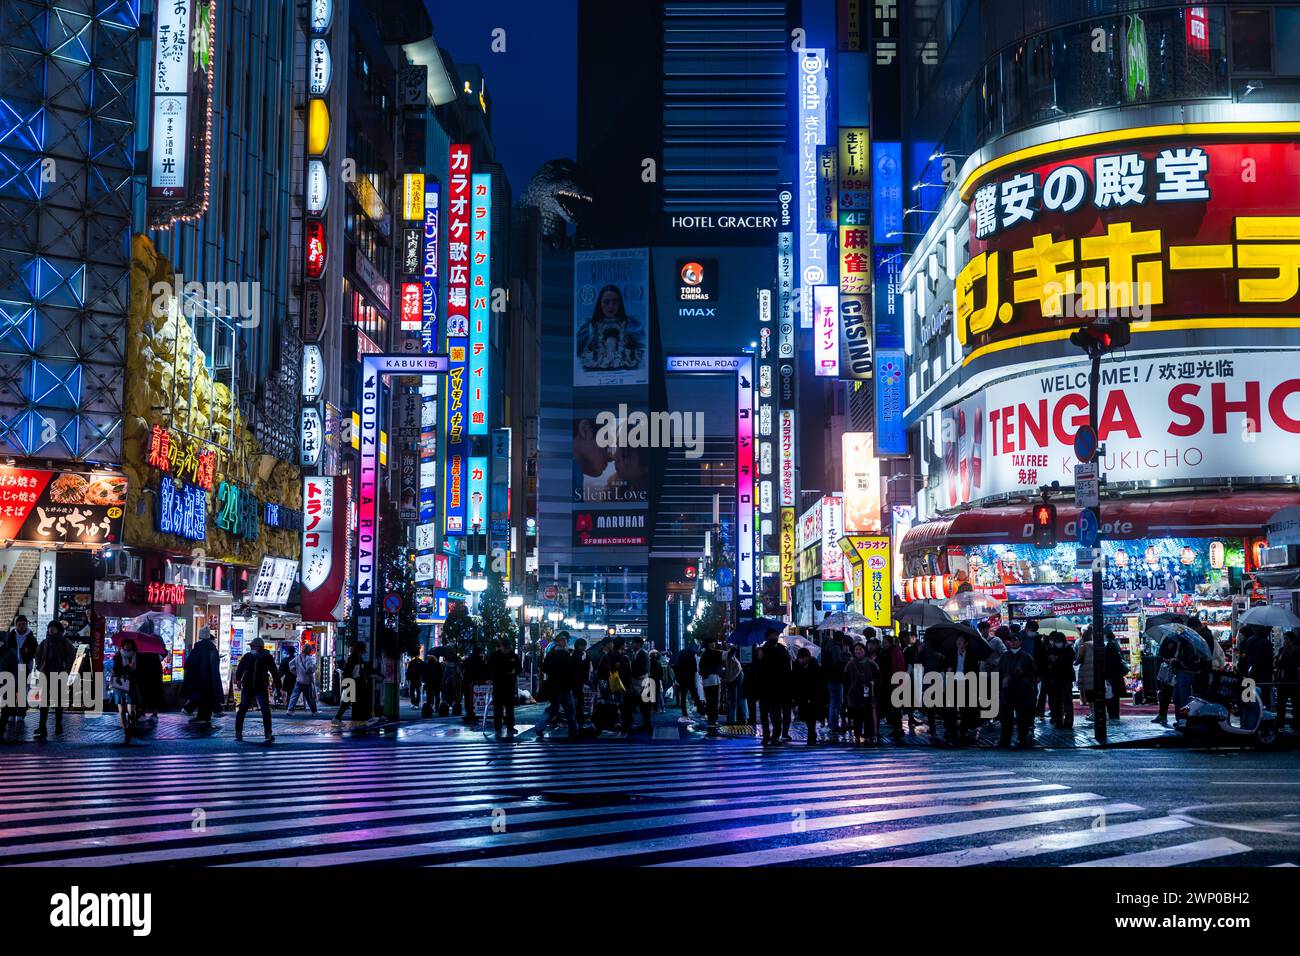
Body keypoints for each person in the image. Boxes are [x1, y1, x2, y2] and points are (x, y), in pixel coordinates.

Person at [34, 620, 76, 740]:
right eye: (49, 628)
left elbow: (72, 654)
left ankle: (58, 725)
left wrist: (65, 666)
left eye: (53, 628)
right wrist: (39, 666)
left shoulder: (64, 641)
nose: (51, 630)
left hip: (59, 674)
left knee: (58, 701)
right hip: (45, 674)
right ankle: (42, 727)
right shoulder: (45, 642)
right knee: (44, 702)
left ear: (59, 629)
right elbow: (37, 654)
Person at [234, 637, 281, 742]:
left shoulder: (267, 657)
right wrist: (238, 679)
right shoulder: (248, 656)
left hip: (260, 686)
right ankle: (238, 732)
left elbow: (274, 672)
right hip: (248, 685)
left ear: (259, 647)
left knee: (265, 710)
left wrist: (278, 686)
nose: (251, 648)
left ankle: (268, 733)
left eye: (253, 646)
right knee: (243, 708)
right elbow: (240, 668)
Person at [534, 632, 578, 740]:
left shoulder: (552, 654)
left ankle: (540, 727)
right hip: (563, 686)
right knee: (568, 709)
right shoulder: (565, 654)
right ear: (560, 642)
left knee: (556, 709)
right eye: (564, 640)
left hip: (556, 685)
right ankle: (573, 732)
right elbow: (571, 670)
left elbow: (545, 668)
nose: (566, 642)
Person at [998, 628, 1037, 748]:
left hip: (1022, 691)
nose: (1013, 642)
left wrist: (1022, 674)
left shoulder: (1026, 657)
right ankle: (1005, 739)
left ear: (1020, 642)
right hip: (1007, 690)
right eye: (1011, 640)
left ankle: (1022, 738)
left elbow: (1033, 673)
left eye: (1015, 640)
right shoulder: (1005, 656)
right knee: (1006, 717)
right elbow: (1000, 672)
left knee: (1022, 717)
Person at [754, 629, 791, 744]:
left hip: (778, 687)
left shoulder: (781, 649)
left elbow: (786, 667)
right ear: (767, 638)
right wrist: (760, 659)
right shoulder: (761, 651)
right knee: (764, 713)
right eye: (772, 636)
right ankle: (766, 736)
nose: (774, 638)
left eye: (776, 636)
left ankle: (775, 736)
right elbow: (757, 669)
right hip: (764, 686)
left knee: (776, 713)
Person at [944, 633, 980, 746]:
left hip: (966, 683)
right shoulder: (951, 654)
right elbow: (947, 667)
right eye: (957, 641)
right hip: (953, 682)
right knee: (951, 708)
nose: (958, 643)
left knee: (965, 708)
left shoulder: (972, 655)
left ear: (966, 643)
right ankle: (951, 730)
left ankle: (963, 730)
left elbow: (975, 671)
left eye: (961, 641)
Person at [182, 626, 223, 724]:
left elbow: (192, 662)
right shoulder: (213, 648)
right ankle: (206, 716)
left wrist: (187, 666)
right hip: (211, 678)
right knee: (208, 698)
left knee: (199, 697)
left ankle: (200, 716)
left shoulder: (199, 646)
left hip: (199, 677)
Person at [843, 642, 879, 745]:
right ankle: (857, 735)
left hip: (868, 695)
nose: (858, 651)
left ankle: (867, 735)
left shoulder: (871, 663)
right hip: (854, 696)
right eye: (856, 650)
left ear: (864, 650)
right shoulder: (849, 665)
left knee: (868, 716)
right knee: (856, 718)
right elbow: (845, 681)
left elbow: (878, 677)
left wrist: (874, 683)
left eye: (860, 649)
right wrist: (846, 696)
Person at [790, 647, 824, 745]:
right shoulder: (796, 666)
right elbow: (794, 683)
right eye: (800, 658)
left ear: (808, 657)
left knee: (811, 717)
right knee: (805, 717)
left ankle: (811, 735)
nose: (801, 660)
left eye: (803, 658)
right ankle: (812, 734)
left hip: (813, 695)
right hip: (802, 696)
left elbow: (819, 682)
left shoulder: (815, 666)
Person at [488, 638, 521, 739]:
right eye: (505, 648)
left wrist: (514, 672)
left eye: (508, 648)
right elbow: (489, 669)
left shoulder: (513, 656)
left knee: (509, 707)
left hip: (509, 685)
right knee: (498, 707)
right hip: (498, 684)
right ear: (501, 647)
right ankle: (498, 727)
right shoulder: (495, 656)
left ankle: (510, 727)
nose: (506, 650)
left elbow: (519, 669)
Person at [109, 636, 140, 745]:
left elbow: (140, 672)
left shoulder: (136, 656)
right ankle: (126, 732)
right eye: (125, 644)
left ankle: (132, 726)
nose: (127, 646)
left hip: (131, 684)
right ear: (122, 645)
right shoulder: (117, 656)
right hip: (120, 684)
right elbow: (116, 671)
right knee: (122, 710)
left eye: (129, 644)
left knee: (132, 710)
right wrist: (128, 667)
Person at [1043, 631, 1076, 729]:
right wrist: (1051, 659)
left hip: (1066, 678)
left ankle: (1068, 721)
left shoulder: (1069, 649)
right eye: (1055, 641)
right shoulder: (1051, 649)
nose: (1057, 643)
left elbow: (1070, 661)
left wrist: (1057, 659)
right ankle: (1058, 721)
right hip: (1055, 678)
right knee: (1057, 701)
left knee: (1067, 700)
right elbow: (1046, 661)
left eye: (1058, 641)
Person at [879, 632, 907, 742]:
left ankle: (898, 728)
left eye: (885, 642)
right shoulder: (885, 652)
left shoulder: (895, 651)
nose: (884, 644)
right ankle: (896, 727)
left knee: (896, 707)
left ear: (890, 643)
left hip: (895, 682)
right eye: (883, 642)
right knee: (893, 707)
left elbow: (900, 666)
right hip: (888, 682)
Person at [334, 643, 372, 723]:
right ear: (361, 650)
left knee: (347, 702)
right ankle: (337, 718)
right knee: (348, 701)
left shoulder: (355, 658)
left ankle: (337, 718)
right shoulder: (355, 658)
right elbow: (353, 671)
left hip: (352, 682)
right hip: (352, 682)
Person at [8, 616, 36, 720]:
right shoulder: (11, 636)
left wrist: (27, 654)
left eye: (23, 624)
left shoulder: (31, 638)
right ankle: (10, 713)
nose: (21, 626)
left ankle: (20, 713)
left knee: (22, 690)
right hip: (11, 667)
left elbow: (35, 651)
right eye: (19, 624)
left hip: (25, 667)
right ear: (16, 625)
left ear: (26, 625)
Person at [626, 636, 654, 733]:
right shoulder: (634, 654)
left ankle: (647, 725)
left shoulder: (643, 654)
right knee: (639, 705)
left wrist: (632, 673)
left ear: (638, 644)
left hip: (643, 682)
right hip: (636, 683)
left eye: (633, 643)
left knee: (645, 706)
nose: (632, 644)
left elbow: (645, 669)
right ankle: (644, 724)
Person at [699, 635, 725, 736]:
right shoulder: (715, 653)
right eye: (713, 642)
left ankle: (711, 719)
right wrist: (734, 648)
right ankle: (713, 720)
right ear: (710, 644)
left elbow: (700, 667)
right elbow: (727, 655)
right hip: (714, 679)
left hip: (706, 681)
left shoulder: (704, 654)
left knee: (709, 700)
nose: (715, 644)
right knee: (714, 701)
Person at [821, 632, 846, 740]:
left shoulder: (827, 647)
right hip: (835, 678)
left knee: (834, 702)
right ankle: (833, 724)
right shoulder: (835, 648)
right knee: (836, 702)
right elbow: (838, 663)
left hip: (830, 678)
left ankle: (833, 723)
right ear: (841, 640)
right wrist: (845, 655)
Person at [286, 642, 319, 717]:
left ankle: (290, 710)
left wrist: (296, 673)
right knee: (310, 697)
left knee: (294, 695)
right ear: (309, 650)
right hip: (307, 681)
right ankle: (314, 711)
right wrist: (315, 667)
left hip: (299, 680)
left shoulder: (298, 657)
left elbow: (290, 664)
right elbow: (309, 669)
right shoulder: (309, 658)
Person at [1275, 631, 1300, 732]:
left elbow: (1295, 662)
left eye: (1287, 639)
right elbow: (1278, 663)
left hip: (1292, 680)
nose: (1285, 641)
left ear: (1292, 640)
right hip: (1282, 680)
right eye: (1284, 639)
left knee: (1295, 704)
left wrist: (1286, 653)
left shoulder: (1297, 650)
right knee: (1280, 704)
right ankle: (1280, 723)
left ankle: (1296, 723)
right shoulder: (1282, 650)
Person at [1075, 628, 1100, 722]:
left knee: (1089, 695)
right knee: (1097, 694)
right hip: (1096, 673)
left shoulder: (1084, 646)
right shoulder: (1098, 644)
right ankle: (1100, 712)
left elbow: (1078, 658)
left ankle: (1093, 713)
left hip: (1087, 673)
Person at [1151, 638, 1177, 726]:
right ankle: (1162, 714)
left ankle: (1179, 718)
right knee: (1164, 693)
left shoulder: (1181, 640)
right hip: (1167, 669)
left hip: (1176, 670)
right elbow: (1161, 652)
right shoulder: (1167, 638)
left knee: (1176, 695)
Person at [1104, 629, 1128, 720]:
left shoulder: (1110, 645)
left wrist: (1105, 674)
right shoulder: (1115, 644)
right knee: (1115, 697)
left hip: (1112, 674)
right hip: (1117, 674)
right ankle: (1115, 714)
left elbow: (1109, 662)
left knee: (1111, 696)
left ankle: (1112, 715)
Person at [672, 640, 699, 719]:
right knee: (694, 695)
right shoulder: (691, 654)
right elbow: (694, 668)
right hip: (690, 677)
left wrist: (677, 677)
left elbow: (676, 666)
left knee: (683, 696)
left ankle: (684, 713)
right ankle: (701, 711)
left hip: (682, 678)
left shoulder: (681, 654)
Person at [462, 646, 488, 722]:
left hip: (468, 681)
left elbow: (464, 668)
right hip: (477, 681)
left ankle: (469, 712)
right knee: (477, 697)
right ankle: (472, 711)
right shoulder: (480, 660)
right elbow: (484, 670)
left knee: (468, 697)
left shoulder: (468, 659)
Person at [0, 634, 18, 742]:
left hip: (7, 682)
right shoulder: (10, 652)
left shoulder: (10, 652)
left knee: (6, 709)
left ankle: (1, 730)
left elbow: (15, 669)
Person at [723, 643, 744, 723]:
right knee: (735, 699)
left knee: (733, 700)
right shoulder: (730, 657)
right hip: (733, 678)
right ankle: (734, 718)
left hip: (731, 679)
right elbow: (737, 668)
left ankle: (733, 718)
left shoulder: (730, 657)